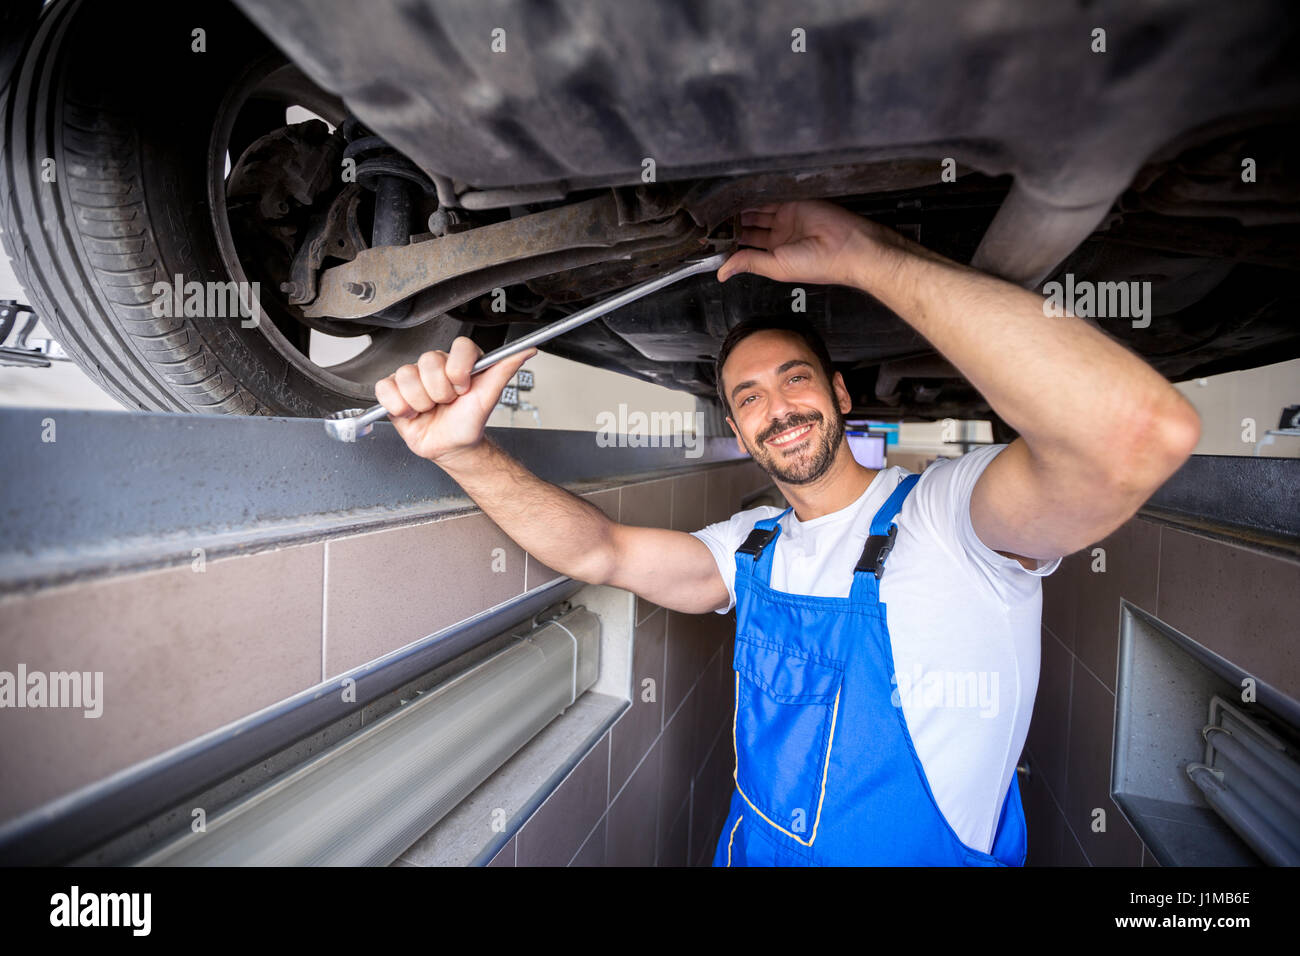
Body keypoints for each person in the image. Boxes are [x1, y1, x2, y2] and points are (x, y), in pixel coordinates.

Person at [373, 199, 1200, 866]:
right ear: (735, 423)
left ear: (840, 394)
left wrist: (871, 257)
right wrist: (465, 455)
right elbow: (602, 551)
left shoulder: (950, 518)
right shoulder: (753, 545)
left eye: (794, 380)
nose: (778, 410)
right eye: (750, 398)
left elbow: (1132, 438)